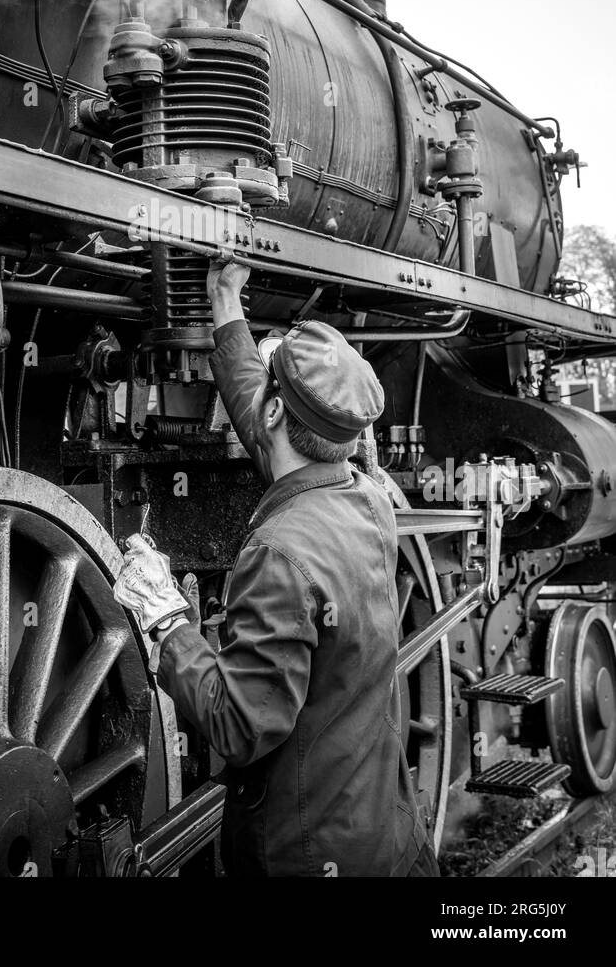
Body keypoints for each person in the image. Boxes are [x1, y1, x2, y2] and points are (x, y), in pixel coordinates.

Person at [113, 255, 439, 878]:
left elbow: (238, 728)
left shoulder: (280, 554)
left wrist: (165, 620)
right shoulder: (368, 495)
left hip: (303, 855)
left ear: (273, 415)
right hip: (383, 833)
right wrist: (224, 303)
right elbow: (262, 412)